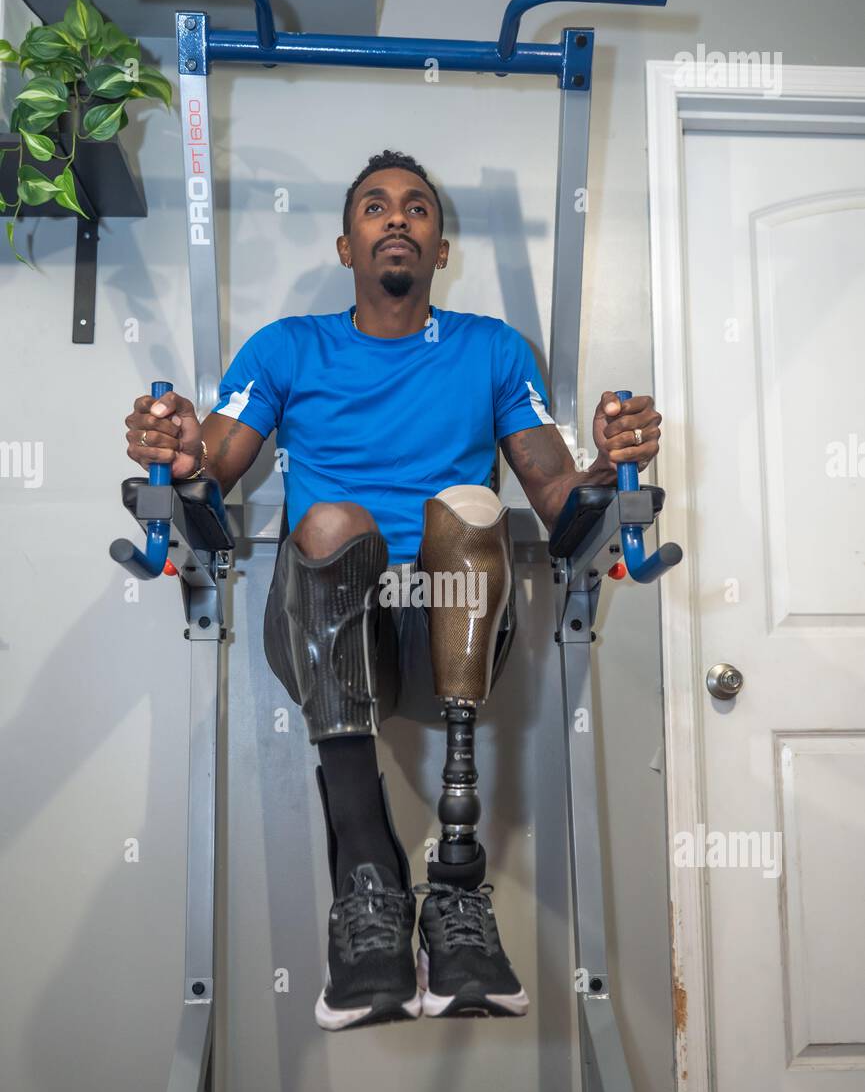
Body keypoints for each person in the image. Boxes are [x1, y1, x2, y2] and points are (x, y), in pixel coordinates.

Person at [124, 149, 662, 1033]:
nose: (397, 219)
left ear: (439, 249)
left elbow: (560, 500)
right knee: (335, 521)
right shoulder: (289, 347)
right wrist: (181, 447)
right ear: (347, 246)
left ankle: (456, 889)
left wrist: (610, 462)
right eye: (375, 208)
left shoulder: (489, 349)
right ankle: (368, 887)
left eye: (416, 207)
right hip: (328, 620)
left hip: (453, 623)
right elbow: (210, 468)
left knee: (467, 508)